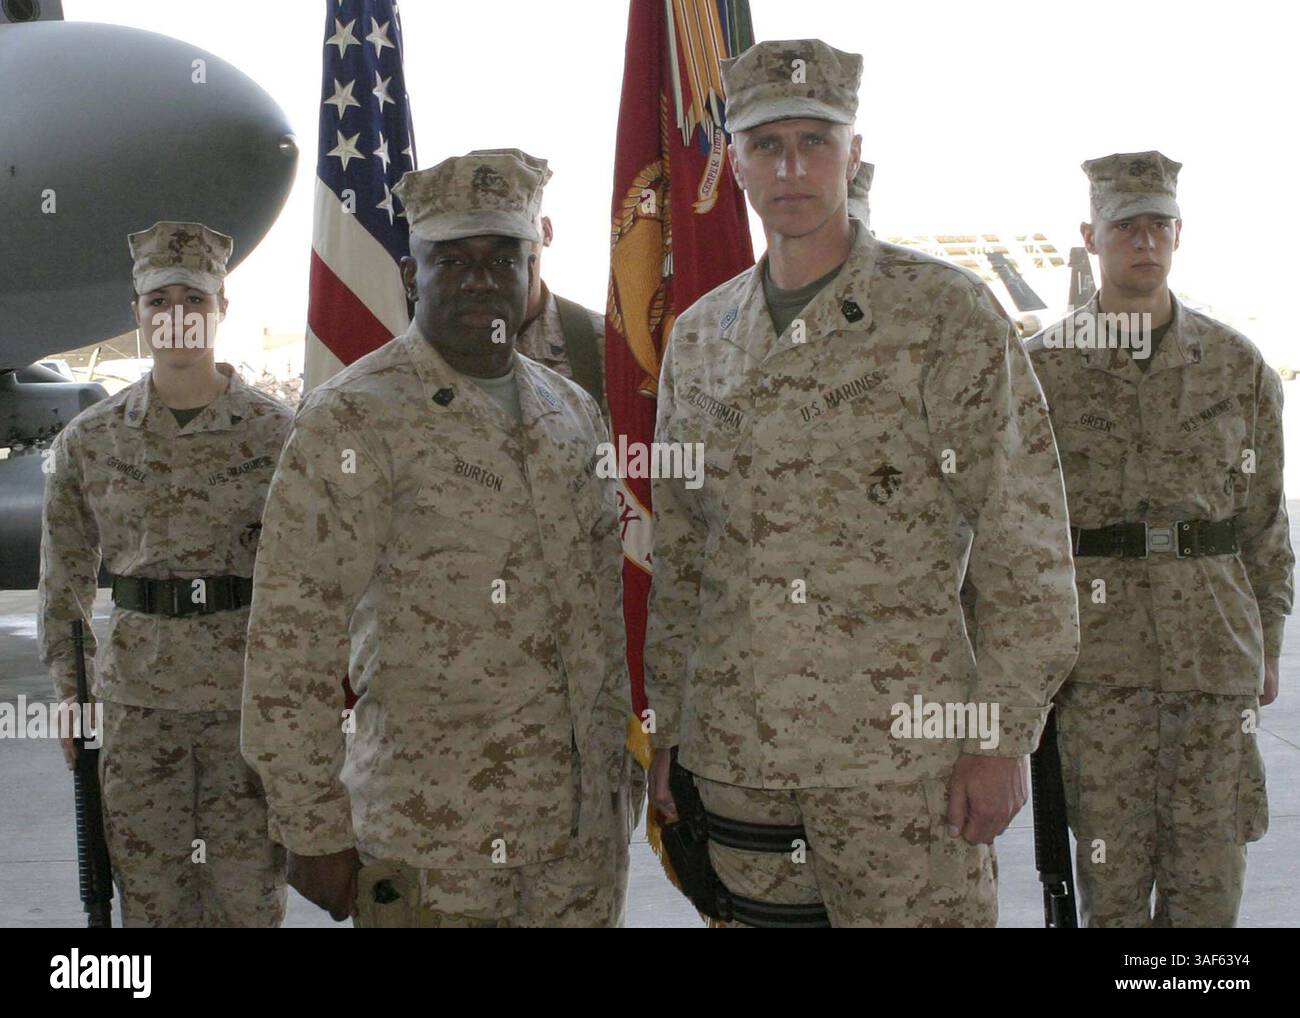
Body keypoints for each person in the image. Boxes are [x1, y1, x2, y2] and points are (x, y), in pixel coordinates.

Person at [644, 38, 1079, 927]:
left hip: (904, 765)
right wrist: (672, 729)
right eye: (767, 144)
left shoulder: (944, 315)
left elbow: (1023, 543)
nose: (792, 165)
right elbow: (684, 551)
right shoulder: (697, 336)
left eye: (816, 139)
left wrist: (1000, 741)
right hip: (742, 760)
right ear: (735, 164)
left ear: (854, 152)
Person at [241, 148, 632, 928]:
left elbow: (600, 612)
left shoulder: (571, 412)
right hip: (433, 838)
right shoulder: (353, 418)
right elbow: (292, 636)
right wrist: (311, 827)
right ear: (411, 274)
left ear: (533, 265)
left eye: (503, 256)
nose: (481, 277)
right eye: (452, 259)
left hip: (579, 839)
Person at [1025, 151, 1293, 927]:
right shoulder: (1043, 370)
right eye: (1125, 227)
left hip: (1215, 664)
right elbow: (1019, 534)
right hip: (1098, 672)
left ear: (1179, 234)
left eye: (1157, 227)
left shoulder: (1236, 367)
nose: (1143, 242)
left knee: (1211, 882)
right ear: (1091, 235)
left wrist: (1268, 642)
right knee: (1110, 885)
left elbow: (1265, 525)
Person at [38, 221, 292, 927]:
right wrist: (70, 691)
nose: (175, 316)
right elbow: (65, 585)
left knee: (247, 901)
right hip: (135, 711)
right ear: (138, 316)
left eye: (193, 298)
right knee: (151, 904)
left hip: (244, 709)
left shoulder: (281, 436)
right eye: (158, 301)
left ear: (220, 309)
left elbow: (310, 583)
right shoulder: (89, 441)